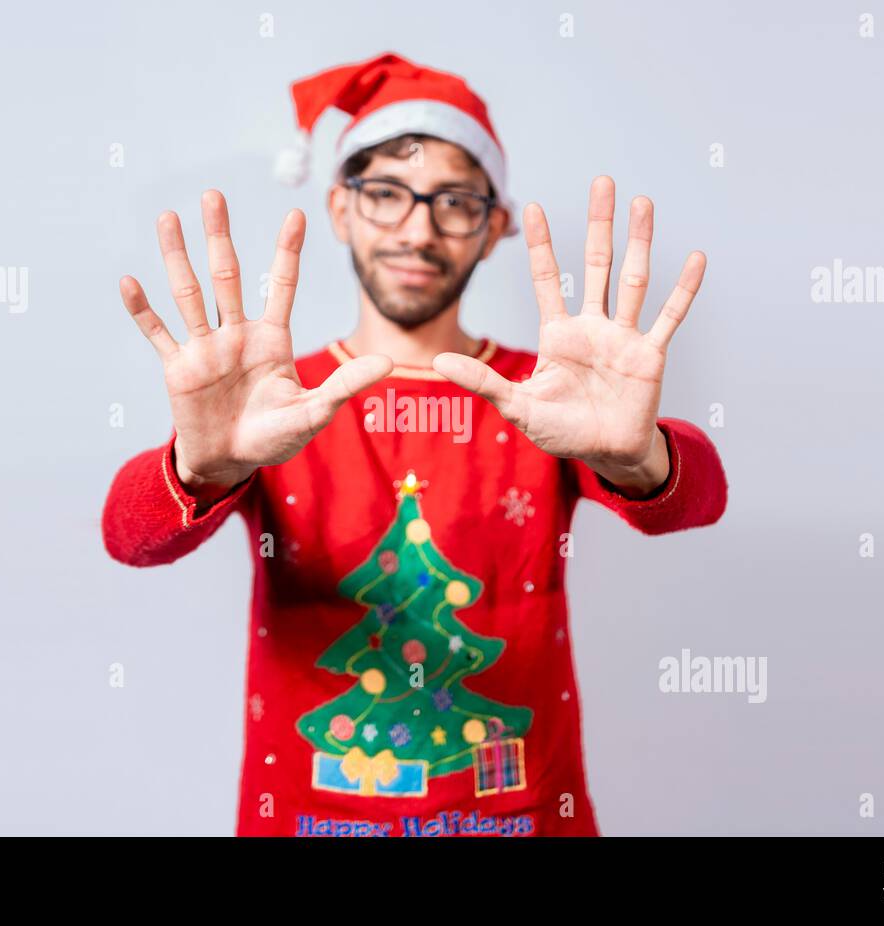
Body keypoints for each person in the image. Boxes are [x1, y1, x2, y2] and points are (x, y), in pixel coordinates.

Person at [102, 52, 728, 837]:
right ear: (340, 209)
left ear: (494, 226)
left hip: (525, 819)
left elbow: (700, 498)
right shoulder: (273, 407)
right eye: (387, 194)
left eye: (455, 201)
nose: (418, 229)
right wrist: (201, 466)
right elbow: (128, 536)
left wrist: (641, 457)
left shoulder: (549, 398)